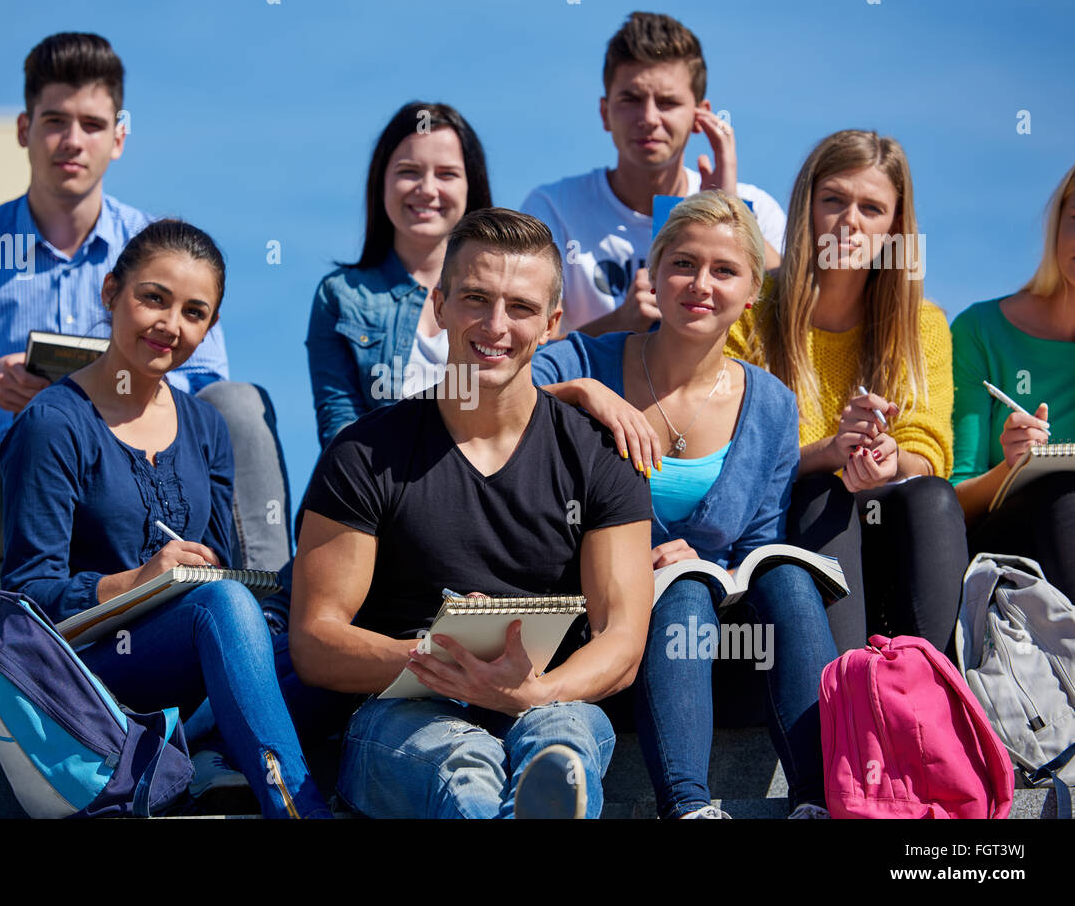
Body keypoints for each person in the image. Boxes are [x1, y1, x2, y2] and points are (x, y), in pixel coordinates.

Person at [290, 209, 653, 819]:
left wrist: (531, 691)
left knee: (561, 745)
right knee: (462, 767)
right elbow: (316, 640)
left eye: (520, 307)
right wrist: (442, 660)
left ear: (553, 323)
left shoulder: (599, 454)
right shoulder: (363, 453)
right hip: (405, 708)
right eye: (475, 299)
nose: (495, 325)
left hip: (551, 698)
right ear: (439, 305)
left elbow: (623, 637)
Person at [0, 32, 229, 650]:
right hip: (6, 496)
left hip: (128, 502)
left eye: (92, 124)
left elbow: (206, 389)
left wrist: (122, 386)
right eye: (55, 121)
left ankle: (263, 605)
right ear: (24, 128)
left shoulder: (167, 256)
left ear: (119, 136)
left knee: (239, 405)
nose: (73, 141)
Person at [0, 219, 328, 819]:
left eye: (194, 312)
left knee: (327, 643)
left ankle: (212, 752)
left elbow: (220, 568)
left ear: (210, 327)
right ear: (109, 293)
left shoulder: (206, 428)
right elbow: (26, 596)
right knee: (223, 606)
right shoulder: (52, 423)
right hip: (95, 671)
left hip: (195, 660)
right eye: (153, 298)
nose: (170, 325)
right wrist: (138, 581)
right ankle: (298, 810)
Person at [533, 190, 836, 819]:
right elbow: (485, 397)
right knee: (680, 587)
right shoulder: (588, 360)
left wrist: (715, 565)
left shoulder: (773, 404)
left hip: (717, 649)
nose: (701, 284)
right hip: (598, 631)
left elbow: (756, 539)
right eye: (683, 264)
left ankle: (820, 801)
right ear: (653, 269)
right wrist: (587, 393)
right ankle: (690, 808)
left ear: (753, 292)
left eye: (724, 271)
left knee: (782, 574)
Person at [726, 130, 967, 654]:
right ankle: (845, 698)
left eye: (872, 208)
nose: (850, 221)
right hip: (785, 535)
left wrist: (889, 455)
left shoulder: (922, 324)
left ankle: (930, 690)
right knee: (823, 491)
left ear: (896, 228)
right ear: (806, 207)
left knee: (931, 495)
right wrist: (831, 453)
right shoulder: (751, 310)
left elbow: (928, 447)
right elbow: (734, 456)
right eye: (833, 200)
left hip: (887, 538)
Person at [520, 11, 786, 338]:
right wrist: (620, 325)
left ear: (699, 114)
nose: (648, 117)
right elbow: (526, 349)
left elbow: (797, 319)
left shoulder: (756, 207)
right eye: (631, 99)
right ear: (605, 113)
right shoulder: (552, 209)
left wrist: (733, 211)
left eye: (667, 102)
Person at [306, 101, 493, 450]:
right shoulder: (340, 296)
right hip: (377, 494)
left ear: (472, 186)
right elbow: (340, 430)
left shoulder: (511, 291)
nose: (427, 188)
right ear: (381, 181)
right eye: (409, 171)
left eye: (447, 174)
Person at [951, 163, 1075, 599]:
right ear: (1057, 224)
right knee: (1064, 491)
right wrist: (1012, 467)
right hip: (1010, 552)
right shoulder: (980, 330)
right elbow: (953, 500)